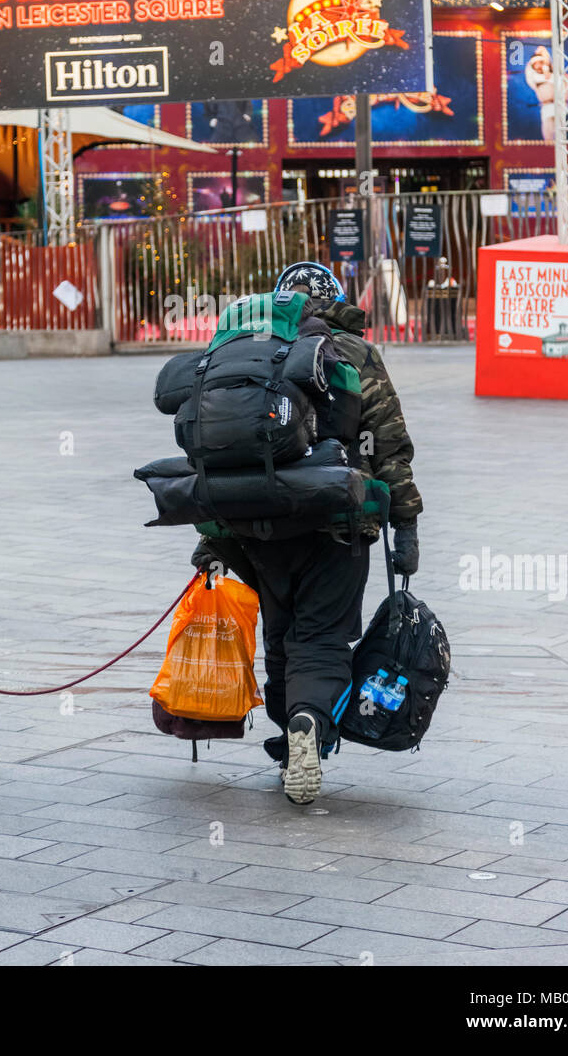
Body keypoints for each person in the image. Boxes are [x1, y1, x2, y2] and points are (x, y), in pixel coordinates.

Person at [191, 260, 422, 805]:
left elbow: (213, 449)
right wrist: (406, 523)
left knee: (280, 630)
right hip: (335, 519)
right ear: (333, 298)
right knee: (322, 634)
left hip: (255, 523)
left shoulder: (243, 349)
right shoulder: (355, 351)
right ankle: (308, 724)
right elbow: (387, 443)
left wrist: (211, 540)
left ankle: (287, 722)